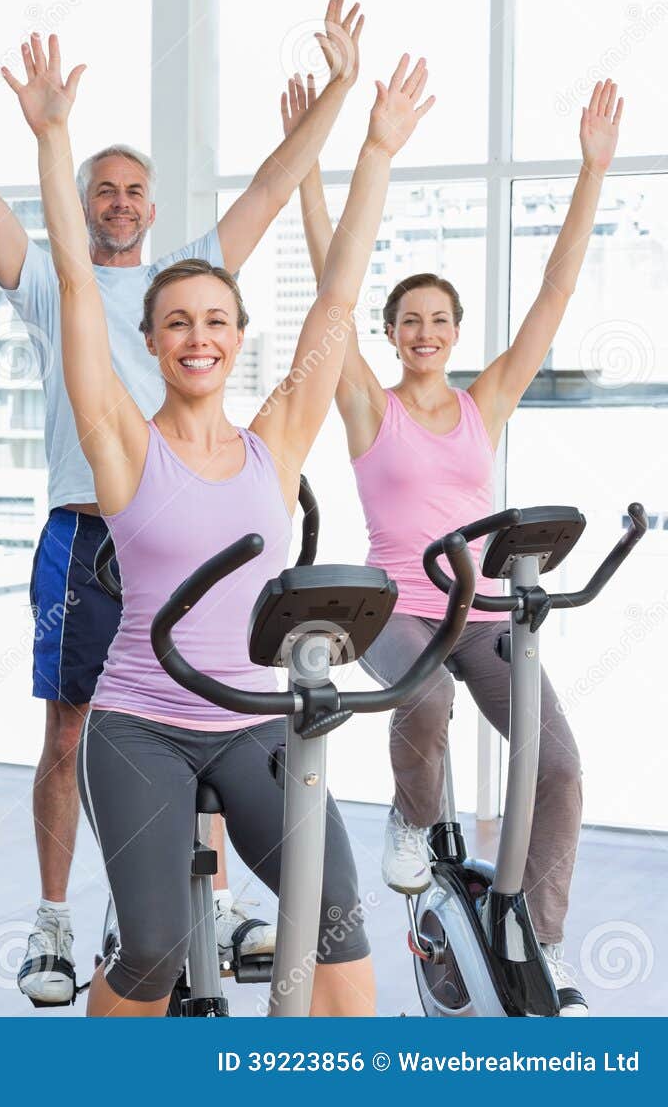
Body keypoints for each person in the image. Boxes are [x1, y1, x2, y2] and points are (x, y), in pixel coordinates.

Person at [0, 0, 364, 1003]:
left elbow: (281, 185)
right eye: (98, 187)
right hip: (88, 528)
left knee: (222, 701)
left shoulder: (188, 281)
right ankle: (60, 916)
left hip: (199, 528)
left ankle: (230, 897)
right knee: (73, 727)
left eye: (130, 189)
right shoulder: (50, 281)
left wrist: (339, 98)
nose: (114, 200)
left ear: (153, 210)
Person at [13, 25, 433, 1014]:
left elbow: (337, 294)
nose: (197, 337)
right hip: (141, 725)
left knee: (334, 924)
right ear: (151, 343)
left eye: (215, 321)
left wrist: (372, 150)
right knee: (152, 947)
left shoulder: (274, 439)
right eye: (176, 323)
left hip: (252, 719)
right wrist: (50, 138)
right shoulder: (122, 444)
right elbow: (77, 284)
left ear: (237, 337)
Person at [288, 70, 623, 1015]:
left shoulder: (487, 407)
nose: (425, 332)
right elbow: (329, 292)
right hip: (399, 608)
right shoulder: (368, 406)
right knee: (422, 693)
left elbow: (555, 294)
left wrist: (592, 170)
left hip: (482, 613)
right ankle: (417, 823)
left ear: (456, 332)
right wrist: (315, 167)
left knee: (558, 766)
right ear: (391, 334)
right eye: (410, 321)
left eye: (440, 320)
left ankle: (537, 942)